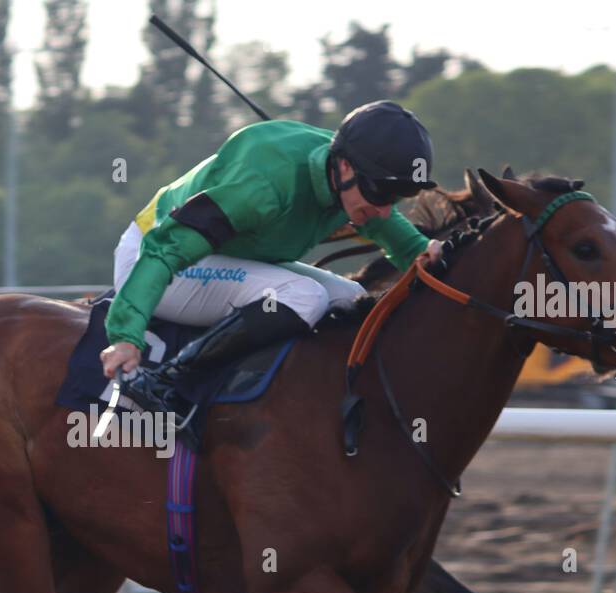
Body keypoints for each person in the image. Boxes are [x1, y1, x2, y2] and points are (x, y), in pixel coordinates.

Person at [100, 100, 445, 416]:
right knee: (304, 296)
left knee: (350, 300)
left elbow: (388, 229)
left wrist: (419, 252)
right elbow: (167, 249)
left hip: (226, 256)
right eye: (381, 193)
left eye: (397, 197)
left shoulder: (350, 173)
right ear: (343, 167)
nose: (385, 209)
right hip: (155, 258)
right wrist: (125, 335)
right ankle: (168, 380)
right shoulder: (262, 188)